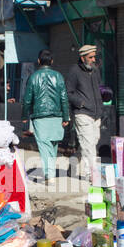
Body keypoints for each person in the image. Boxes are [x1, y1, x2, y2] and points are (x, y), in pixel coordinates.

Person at [21, 49, 70, 182]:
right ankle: (51, 172)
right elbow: (64, 98)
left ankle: (49, 175)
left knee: (44, 145)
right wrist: (66, 116)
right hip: (56, 115)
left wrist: (24, 115)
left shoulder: (33, 77)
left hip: (40, 116)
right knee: (52, 145)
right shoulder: (58, 76)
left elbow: (27, 99)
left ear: (38, 61)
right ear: (52, 61)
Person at [66, 43, 105, 185]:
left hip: (96, 114)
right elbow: (68, 92)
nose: (94, 59)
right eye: (91, 57)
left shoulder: (95, 71)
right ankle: (92, 176)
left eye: (94, 56)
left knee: (90, 142)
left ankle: (73, 164)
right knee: (89, 146)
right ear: (83, 58)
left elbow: (98, 89)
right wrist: (80, 103)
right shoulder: (74, 72)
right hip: (82, 113)